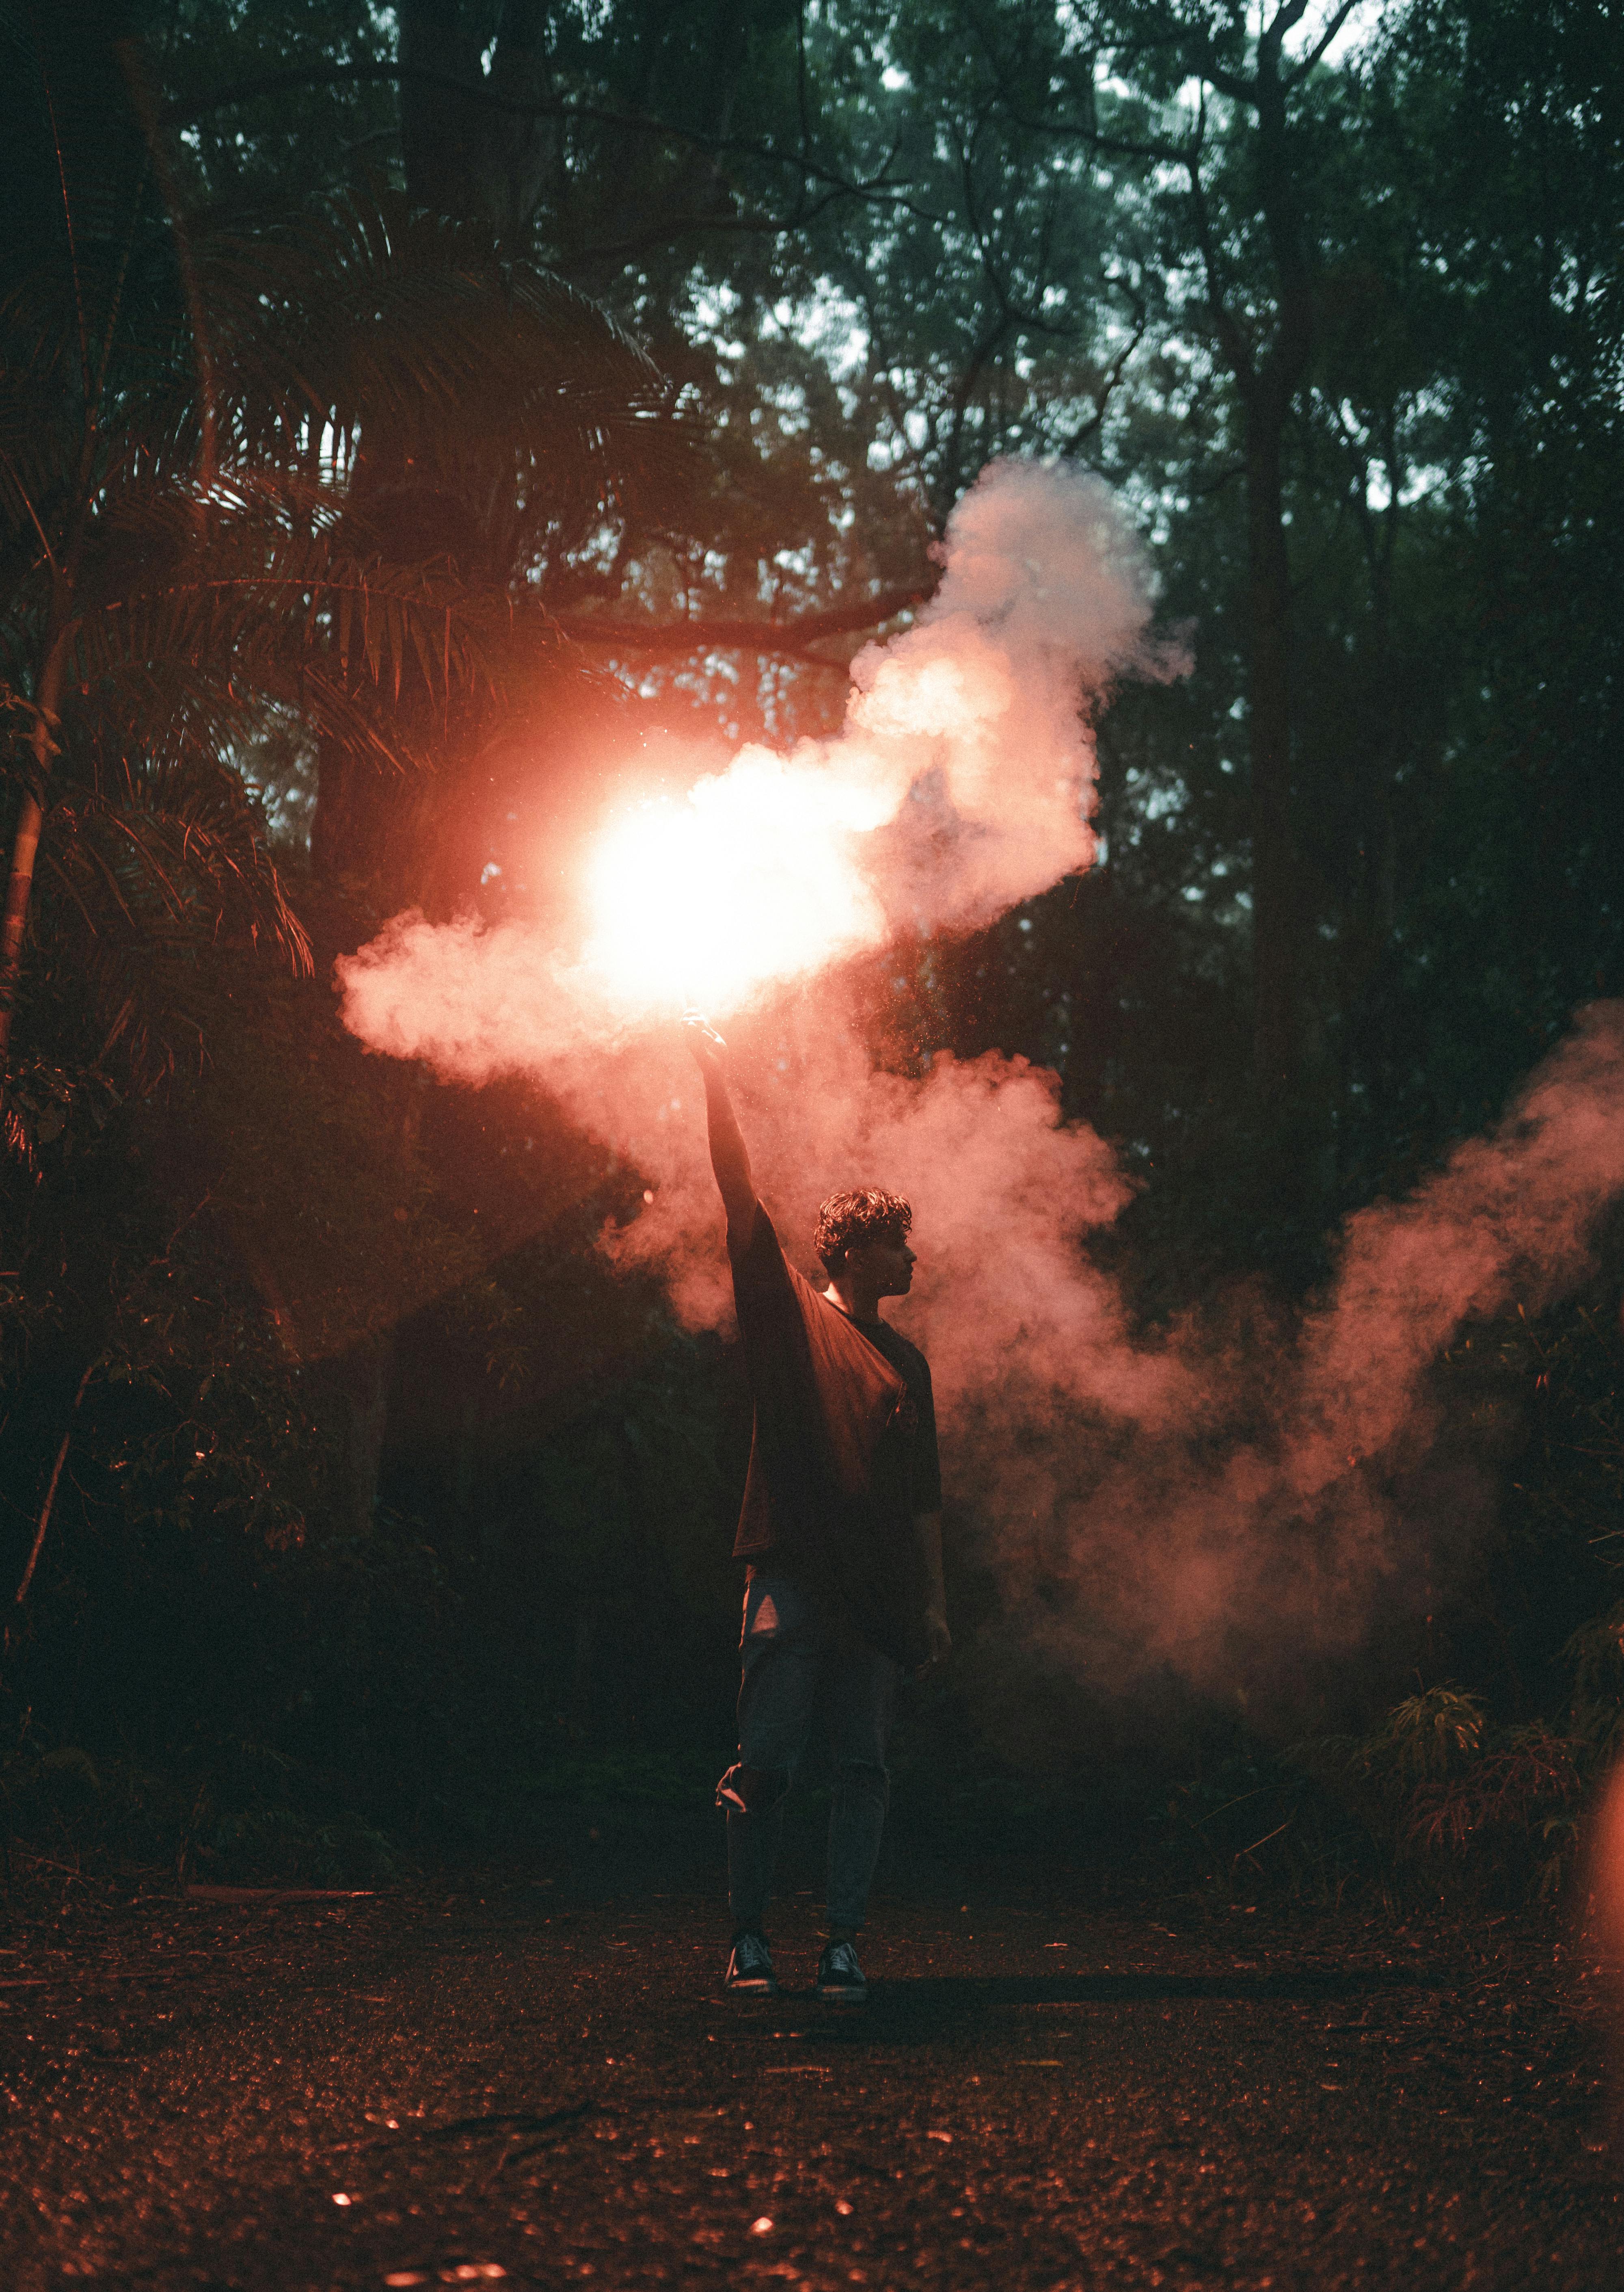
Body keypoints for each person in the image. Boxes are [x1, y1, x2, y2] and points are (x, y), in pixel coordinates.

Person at [685, 1014, 950, 2006]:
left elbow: (922, 1496)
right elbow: (736, 1194)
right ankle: (747, 1937)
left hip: (876, 1594)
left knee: (861, 1767)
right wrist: (715, 1080)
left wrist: (934, 1604)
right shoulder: (787, 1314)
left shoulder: (910, 1362)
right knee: (767, 1760)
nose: (912, 1261)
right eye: (897, 1245)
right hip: (790, 1575)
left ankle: (843, 1941)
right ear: (854, 1249)